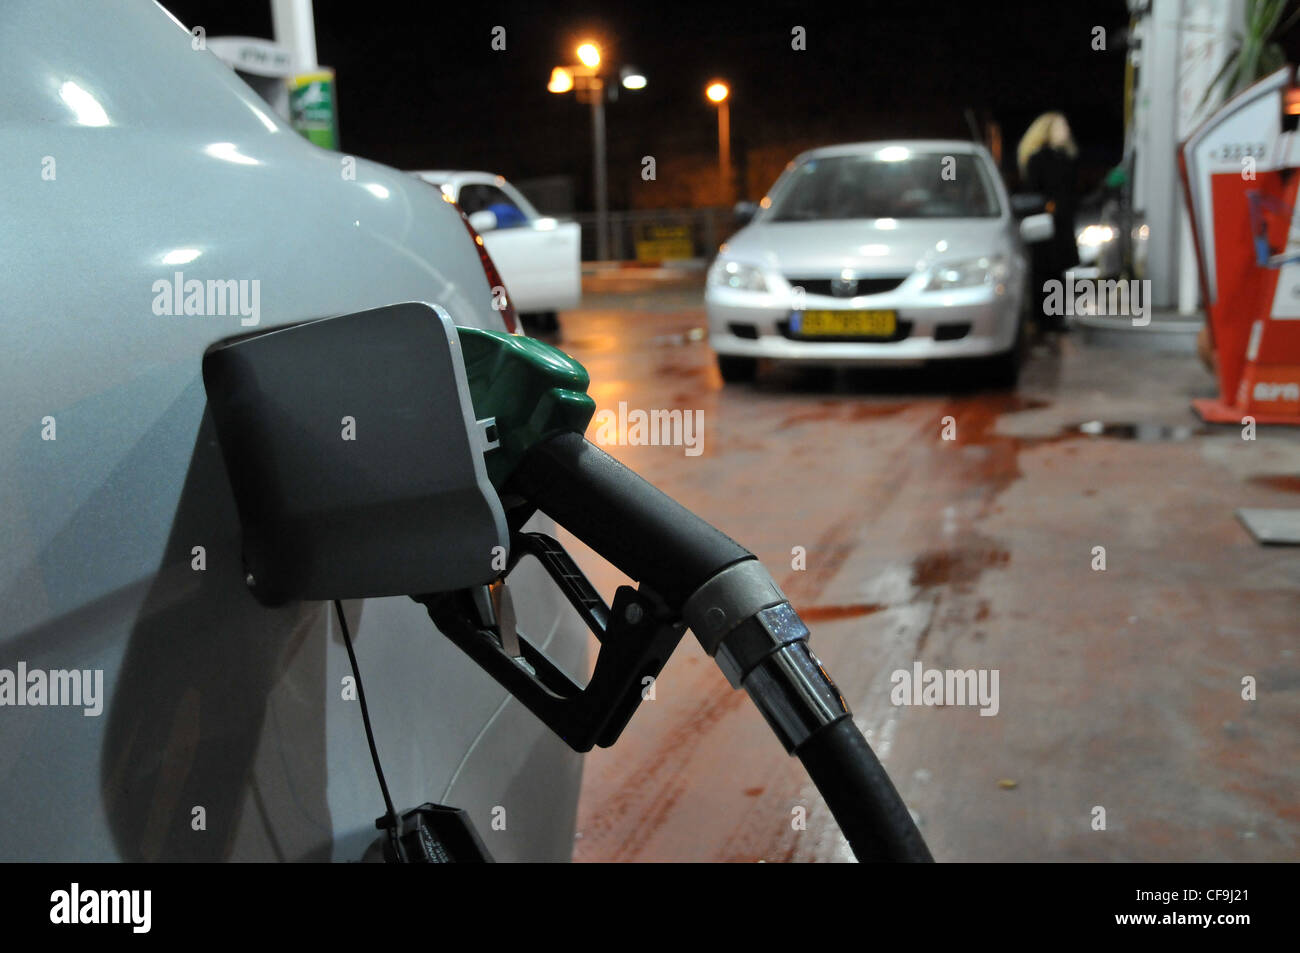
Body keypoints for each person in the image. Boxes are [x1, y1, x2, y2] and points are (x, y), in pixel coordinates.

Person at [1018, 112, 1079, 329]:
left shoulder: (1065, 158)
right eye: (1060, 127)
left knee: (1058, 271)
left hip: (1062, 223)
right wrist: (1051, 207)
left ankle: (1055, 317)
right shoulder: (1039, 159)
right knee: (1044, 270)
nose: (1066, 131)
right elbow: (1036, 192)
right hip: (1046, 224)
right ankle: (1044, 318)